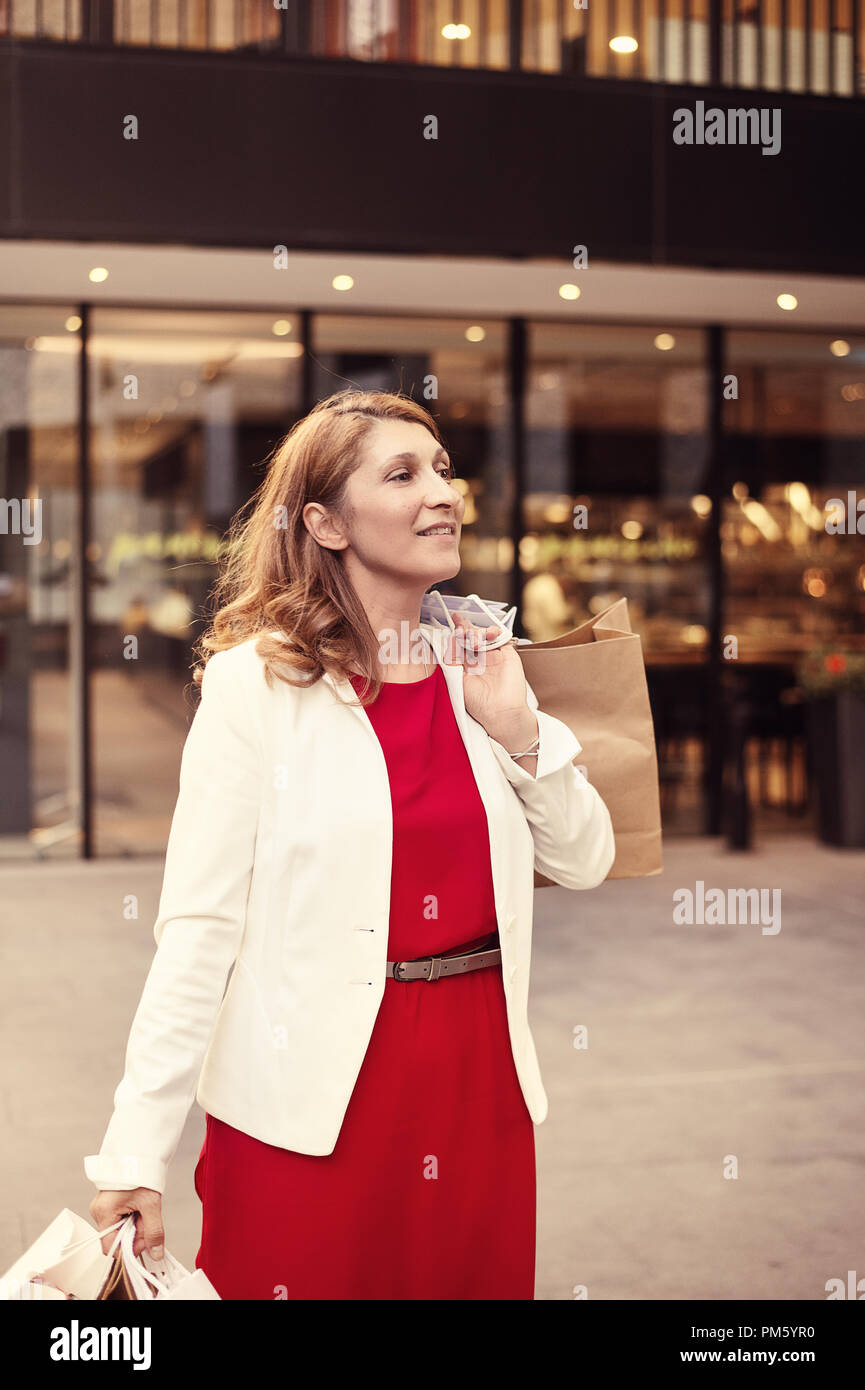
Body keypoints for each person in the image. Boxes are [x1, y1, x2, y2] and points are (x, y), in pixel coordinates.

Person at [86, 388, 615, 1300]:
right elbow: (200, 930)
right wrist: (135, 1148)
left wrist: (518, 728)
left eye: (443, 469)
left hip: (477, 1082)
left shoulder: (481, 663)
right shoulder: (256, 686)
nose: (441, 493)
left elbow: (584, 859)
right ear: (325, 522)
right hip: (310, 1102)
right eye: (402, 475)